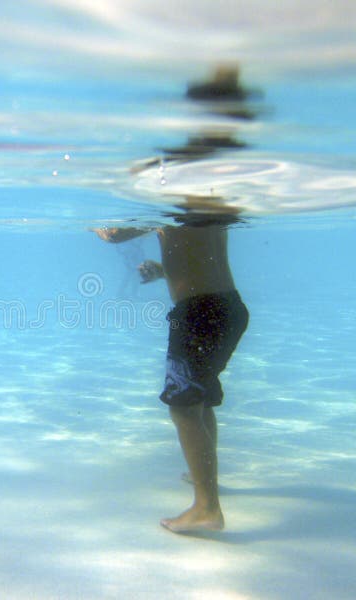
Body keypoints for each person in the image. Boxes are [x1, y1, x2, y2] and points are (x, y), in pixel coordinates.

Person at [96, 210, 248, 534]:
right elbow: (201, 259)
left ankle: (207, 507)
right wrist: (165, 272)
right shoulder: (209, 207)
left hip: (198, 314)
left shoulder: (170, 206)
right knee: (200, 397)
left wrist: (88, 220)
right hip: (228, 309)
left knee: (183, 408)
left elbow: (112, 234)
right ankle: (201, 474)